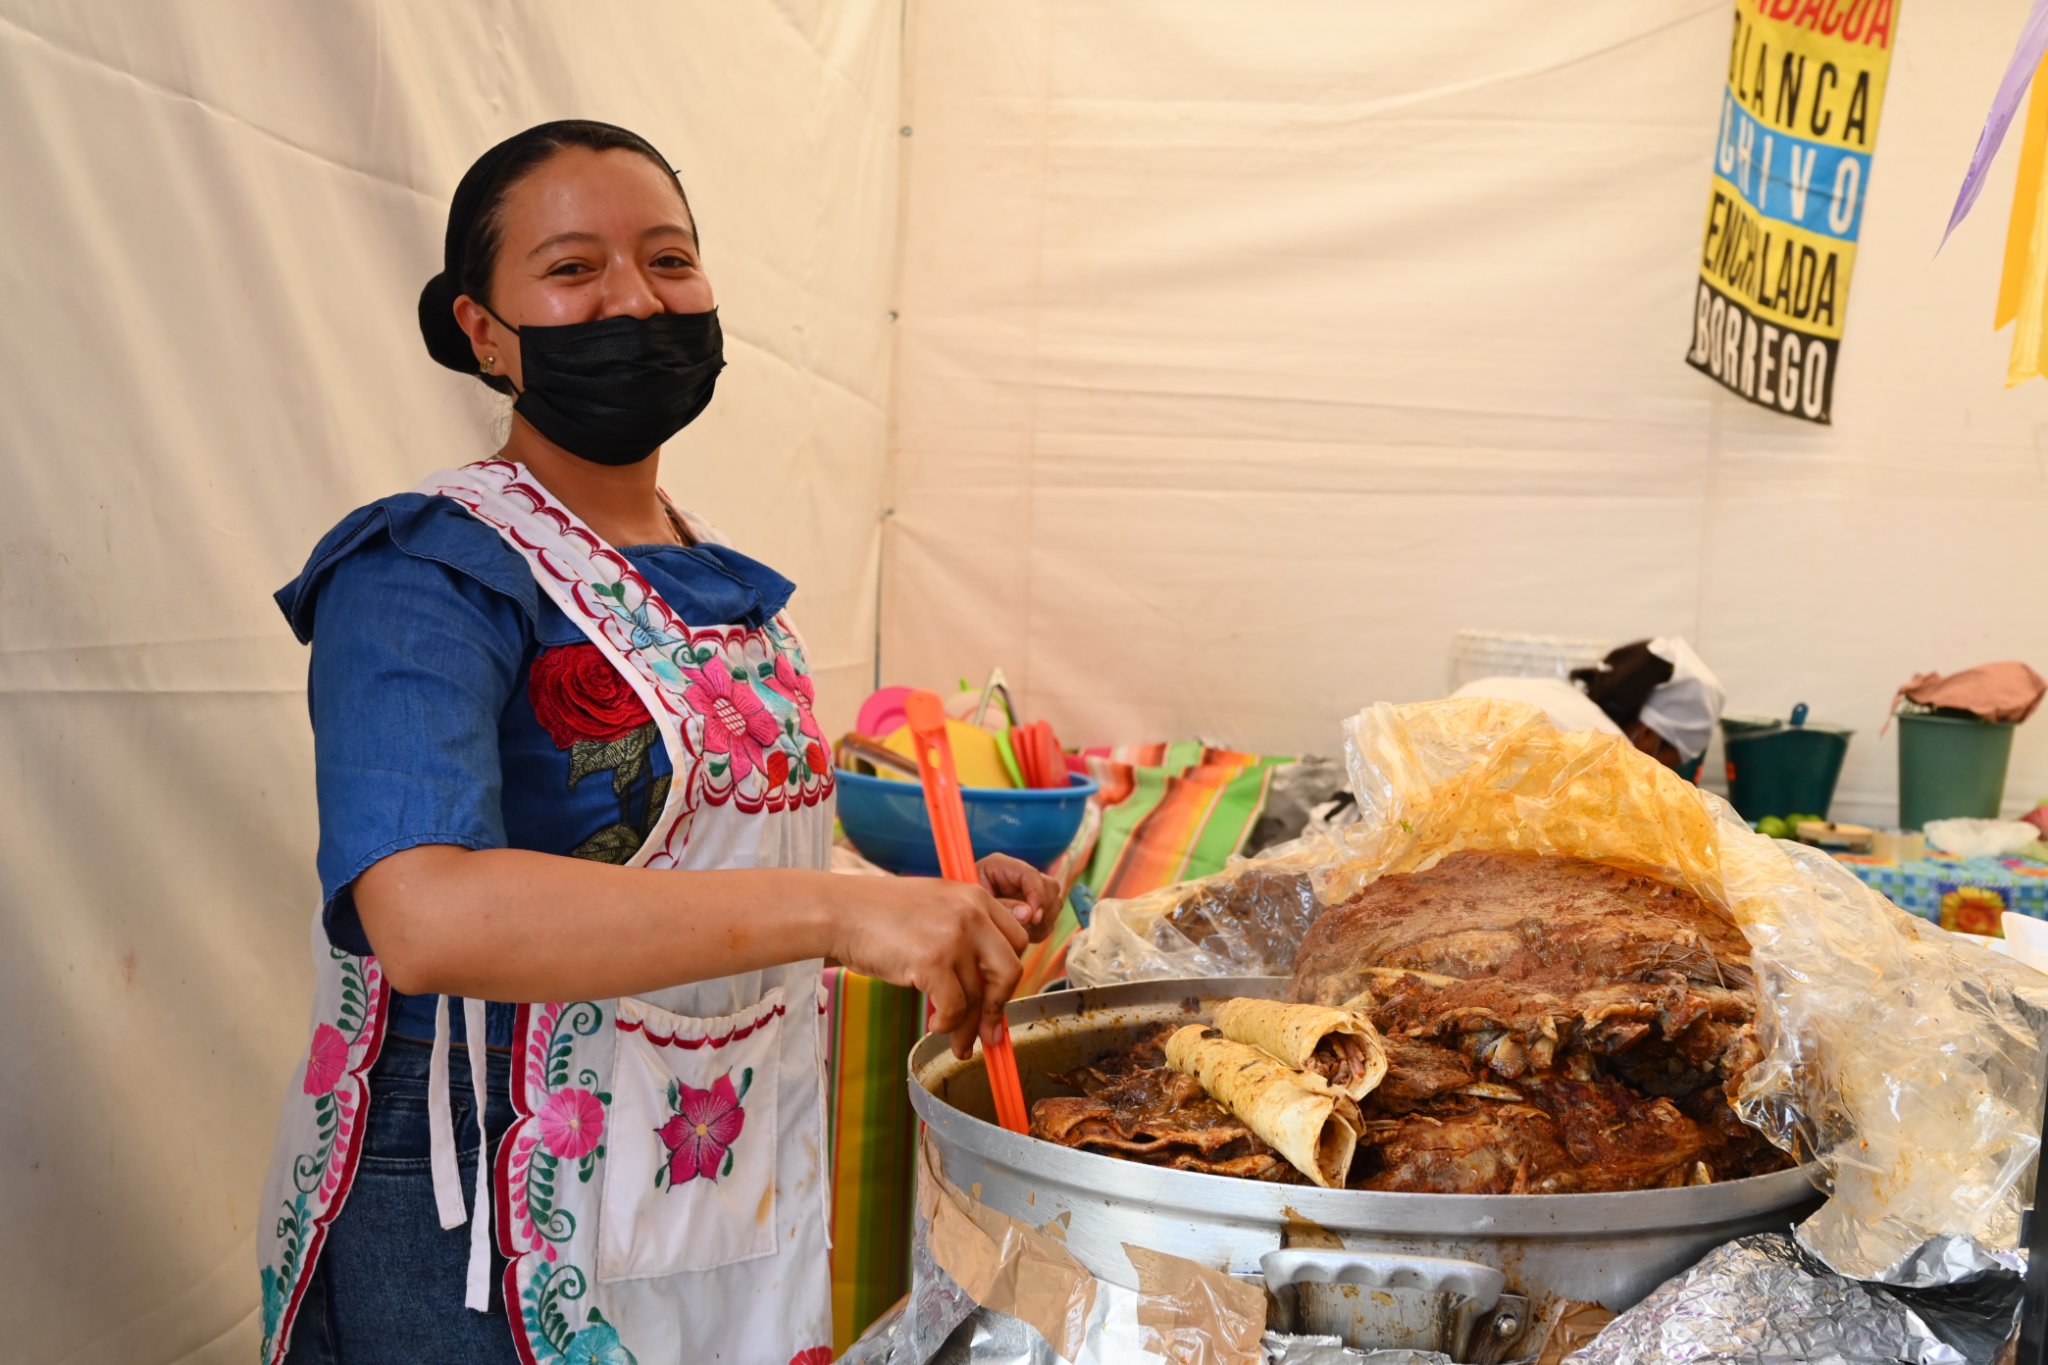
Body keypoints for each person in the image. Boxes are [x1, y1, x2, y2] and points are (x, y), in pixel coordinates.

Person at [255, 119, 1062, 1365]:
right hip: (487, 1226)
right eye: (574, 270)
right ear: (482, 332)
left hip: (720, 1182)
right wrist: (838, 919)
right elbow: (423, 915)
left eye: (669, 260)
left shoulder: (714, 577)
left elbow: (703, 870)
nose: (636, 298)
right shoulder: (424, 572)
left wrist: (923, 905)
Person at [1451, 637, 1726, 771]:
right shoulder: (1612, 754)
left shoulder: (1547, 693)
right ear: (1648, 734)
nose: (1664, 776)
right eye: (1669, 764)